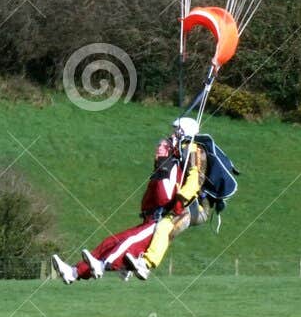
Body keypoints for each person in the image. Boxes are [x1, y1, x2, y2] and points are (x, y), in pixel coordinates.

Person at [54, 116, 208, 283]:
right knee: (112, 241)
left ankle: (106, 264)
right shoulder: (172, 157)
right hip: (154, 214)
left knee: (130, 241)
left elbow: (194, 180)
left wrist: (180, 200)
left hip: (170, 214)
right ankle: (74, 272)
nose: (172, 134)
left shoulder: (191, 152)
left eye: (176, 131)